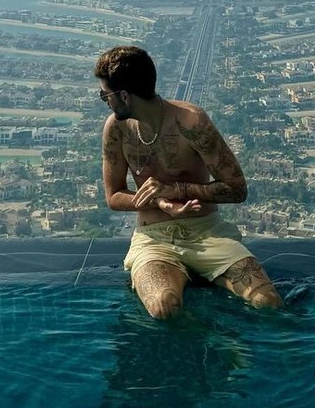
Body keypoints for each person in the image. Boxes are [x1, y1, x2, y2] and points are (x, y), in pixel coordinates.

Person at [95, 45, 283, 319]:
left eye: (105, 95)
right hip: (153, 239)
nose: (105, 101)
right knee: (163, 306)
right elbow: (113, 197)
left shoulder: (191, 122)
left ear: (124, 95)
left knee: (267, 301)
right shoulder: (116, 129)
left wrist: (176, 190)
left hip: (208, 233)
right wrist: (159, 202)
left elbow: (237, 189)